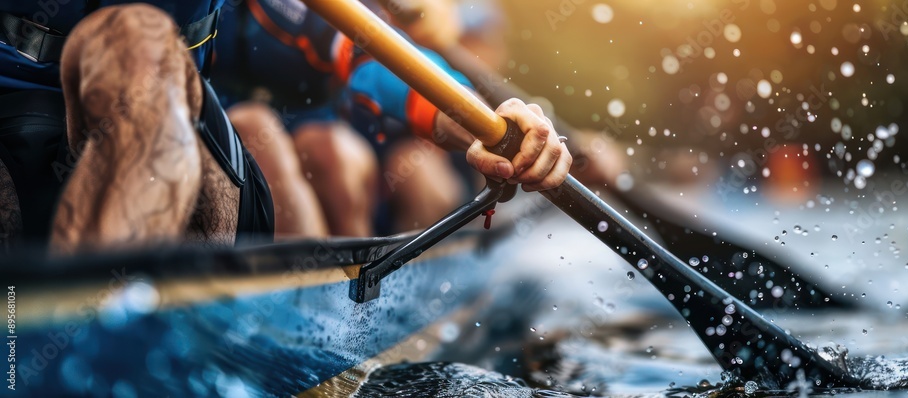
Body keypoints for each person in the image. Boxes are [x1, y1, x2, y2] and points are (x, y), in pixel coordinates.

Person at [0, 1, 572, 254]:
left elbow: (379, 67)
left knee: (135, 42)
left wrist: (496, 130)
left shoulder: (286, 11)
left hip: (193, 178)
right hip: (22, 143)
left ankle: (99, 332)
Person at [211, 0, 480, 238]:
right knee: (254, 127)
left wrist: (477, 122)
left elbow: (370, 54)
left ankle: (353, 276)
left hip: (312, 137)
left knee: (330, 152)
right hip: (216, 131)